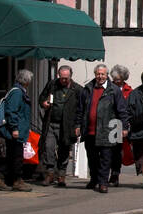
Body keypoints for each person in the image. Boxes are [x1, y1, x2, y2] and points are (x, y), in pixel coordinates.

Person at [77, 64, 130, 193]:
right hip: (90, 131)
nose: (100, 77)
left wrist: (124, 127)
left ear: (107, 76)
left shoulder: (114, 90)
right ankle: (94, 179)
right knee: (93, 158)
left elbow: (122, 110)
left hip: (108, 130)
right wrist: (77, 125)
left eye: (103, 74)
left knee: (106, 159)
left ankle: (103, 182)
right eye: (98, 74)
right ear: (95, 74)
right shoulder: (87, 89)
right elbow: (80, 110)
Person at [36, 65, 80, 187]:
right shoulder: (52, 85)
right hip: (51, 123)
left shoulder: (77, 89)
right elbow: (41, 98)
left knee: (64, 150)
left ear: (71, 76)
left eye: (66, 78)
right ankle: (50, 173)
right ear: (58, 76)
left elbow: (81, 109)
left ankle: (61, 175)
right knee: (48, 147)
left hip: (66, 125)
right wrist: (44, 103)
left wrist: (78, 125)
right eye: (62, 78)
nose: (64, 80)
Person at [0, 69, 34, 192]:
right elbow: (11, 111)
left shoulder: (18, 91)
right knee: (16, 156)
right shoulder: (17, 93)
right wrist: (15, 128)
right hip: (14, 131)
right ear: (26, 81)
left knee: (11, 156)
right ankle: (17, 181)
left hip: (17, 129)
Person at [107, 65, 134, 186]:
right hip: (110, 123)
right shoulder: (108, 88)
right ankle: (107, 174)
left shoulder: (129, 90)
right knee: (108, 151)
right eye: (114, 78)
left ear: (124, 77)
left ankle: (115, 174)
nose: (116, 81)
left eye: (119, 78)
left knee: (118, 151)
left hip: (121, 124)